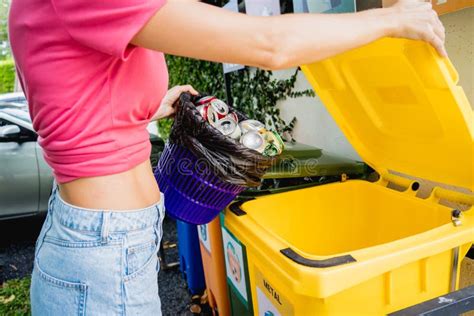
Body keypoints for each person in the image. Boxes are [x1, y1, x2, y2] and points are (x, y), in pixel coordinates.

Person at [8, 0, 446, 314]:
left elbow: (70, 106)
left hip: (106, 240)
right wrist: (393, 18)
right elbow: (269, 44)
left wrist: (149, 105)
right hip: (103, 252)